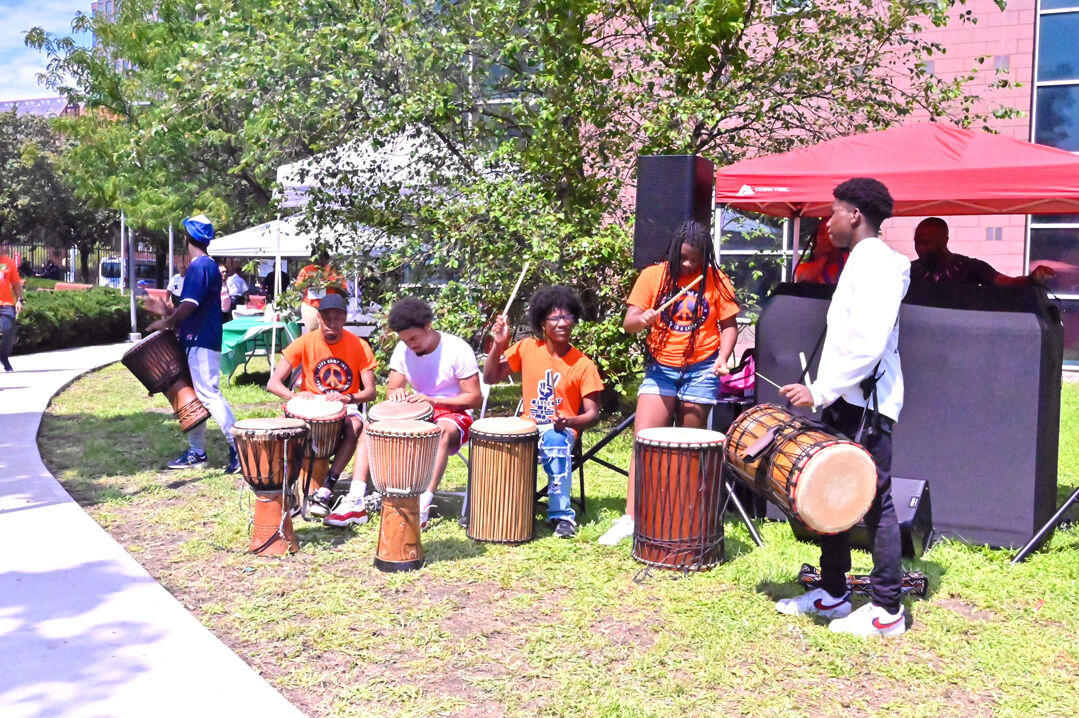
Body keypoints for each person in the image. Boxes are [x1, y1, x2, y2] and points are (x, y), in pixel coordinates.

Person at [777, 177, 910, 638]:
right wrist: (823, 387)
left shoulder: (874, 263)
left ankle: (887, 611)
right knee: (835, 493)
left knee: (877, 502)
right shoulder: (865, 260)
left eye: (833, 211)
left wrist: (820, 390)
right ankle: (834, 593)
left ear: (855, 215)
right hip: (849, 399)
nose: (827, 220)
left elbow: (868, 344)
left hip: (866, 406)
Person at [599, 220, 740, 546]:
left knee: (689, 449)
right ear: (674, 251)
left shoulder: (716, 280)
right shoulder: (653, 276)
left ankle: (683, 517)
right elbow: (628, 324)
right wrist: (642, 318)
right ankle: (631, 518)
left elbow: (729, 326)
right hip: (660, 369)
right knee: (644, 443)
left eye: (696, 258)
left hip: (702, 368)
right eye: (684, 258)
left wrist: (723, 358)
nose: (689, 264)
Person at [330, 297, 484, 529]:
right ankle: (356, 499)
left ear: (427, 326)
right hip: (417, 411)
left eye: (414, 338)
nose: (411, 345)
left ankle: (421, 505)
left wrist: (433, 400)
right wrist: (397, 395)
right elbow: (393, 387)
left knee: (440, 430)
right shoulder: (403, 350)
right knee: (370, 429)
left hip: (454, 413)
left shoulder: (456, 348)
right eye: (405, 340)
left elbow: (474, 398)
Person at [484, 286, 604, 538]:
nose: (563, 323)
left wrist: (568, 420)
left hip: (562, 430)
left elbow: (593, 414)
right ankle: (498, 507)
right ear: (542, 322)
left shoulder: (583, 364)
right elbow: (491, 376)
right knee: (495, 439)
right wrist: (498, 345)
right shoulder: (527, 347)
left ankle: (561, 516)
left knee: (553, 440)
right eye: (555, 318)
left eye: (568, 317)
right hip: (528, 425)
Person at [267, 293, 377, 518]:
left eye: (337, 319)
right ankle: (285, 489)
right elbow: (273, 383)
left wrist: (349, 398)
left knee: (355, 426)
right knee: (278, 430)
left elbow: (371, 392)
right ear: (318, 317)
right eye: (327, 319)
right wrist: (294, 396)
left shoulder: (359, 345)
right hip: (309, 406)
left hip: (346, 405)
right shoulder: (305, 342)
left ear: (345, 318)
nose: (332, 324)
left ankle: (327, 487)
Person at [147, 215, 240, 473]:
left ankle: (240, 447)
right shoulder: (206, 266)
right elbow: (189, 304)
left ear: (187, 239)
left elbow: (191, 305)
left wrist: (167, 322)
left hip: (201, 340)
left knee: (208, 393)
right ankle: (197, 452)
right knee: (195, 396)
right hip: (199, 339)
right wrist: (168, 312)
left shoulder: (200, 266)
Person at [910, 217, 1055, 288]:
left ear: (944, 240)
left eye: (926, 243)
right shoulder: (906, 271)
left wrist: (1031, 280)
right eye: (917, 242)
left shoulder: (970, 267)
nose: (920, 248)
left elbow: (1007, 283)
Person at [295, 252, 348, 333]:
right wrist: (307, 284)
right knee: (312, 332)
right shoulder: (306, 270)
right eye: (316, 259)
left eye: (321, 258)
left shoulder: (334, 271)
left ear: (326, 258)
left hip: (330, 306)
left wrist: (333, 285)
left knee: (329, 331)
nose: (319, 261)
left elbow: (345, 291)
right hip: (310, 306)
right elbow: (297, 288)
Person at [794, 219, 847, 284]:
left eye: (831, 232)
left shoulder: (851, 261)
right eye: (822, 233)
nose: (825, 237)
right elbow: (804, 280)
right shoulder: (804, 268)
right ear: (815, 239)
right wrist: (823, 259)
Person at [0, 246, 25, 373]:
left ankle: (3, 356)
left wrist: (19, 300)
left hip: (6, 303)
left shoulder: (7, 262)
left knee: (7, 328)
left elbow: (15, 283)